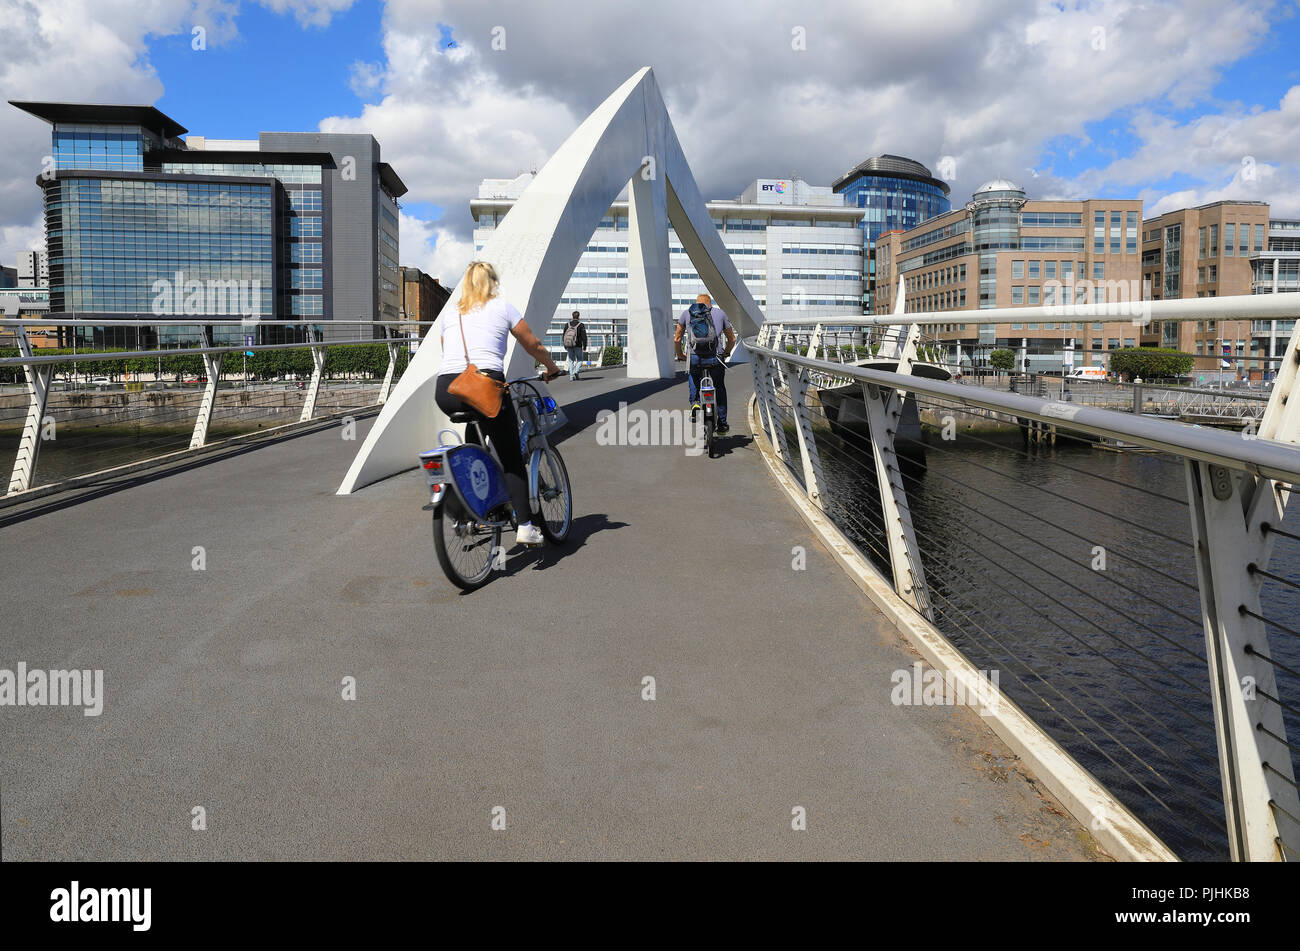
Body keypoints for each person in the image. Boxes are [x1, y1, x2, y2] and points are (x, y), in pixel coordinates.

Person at [436, 261, 562, 547]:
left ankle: (474, 503)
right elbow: (533, 345)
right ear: (492, 282)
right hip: (484, 387)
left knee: (478, 436)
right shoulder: (503, 307)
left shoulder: (451, 313)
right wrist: (551, 368)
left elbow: (448, 352)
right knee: (511, 458)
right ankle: (527, 526)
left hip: (447, 388)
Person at [674, 292, 737, 434]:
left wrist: (680, 355)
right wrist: (726, 352)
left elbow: (677, 339)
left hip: (695, 357)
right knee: (719, 387)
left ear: (697, 303)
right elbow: (732, 339)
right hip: (715, 357)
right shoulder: (720, 313)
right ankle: (722, 423)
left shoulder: (687, 313)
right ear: (710, 304)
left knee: (693, 375)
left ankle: (695, 403)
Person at [562, 310, 588, 380]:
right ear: (578, 317)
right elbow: (584, 337)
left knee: (571, 360)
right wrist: (585, 346)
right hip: (578, 345)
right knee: (580, 360)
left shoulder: (567, 325)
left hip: (569, 345)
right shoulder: (581, 325)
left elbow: (564, 335)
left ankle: (571, 377)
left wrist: (565, 345)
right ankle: (576, 371)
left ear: (572, 316)